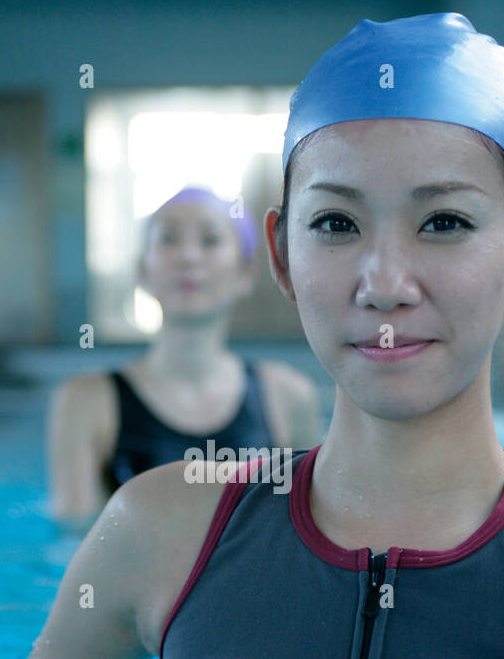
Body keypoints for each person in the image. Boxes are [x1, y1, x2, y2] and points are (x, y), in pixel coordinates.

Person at [27, 13, 504, 659]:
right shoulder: (159, 529)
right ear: (280, 257)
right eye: (336, 223)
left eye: (445, 222)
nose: (385, 284)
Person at [48, 185, 321, 519]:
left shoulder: (289, 395)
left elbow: (307, 528)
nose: (188, 257)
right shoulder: (85, 402)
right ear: (142, 272)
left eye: (210, 240)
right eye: (168, 239)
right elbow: (73, 539)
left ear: (245, 273)